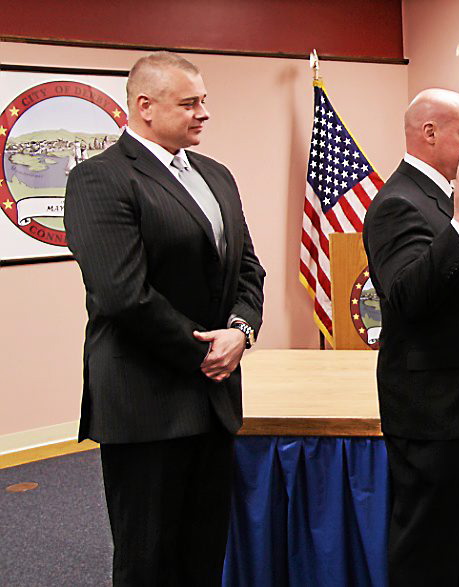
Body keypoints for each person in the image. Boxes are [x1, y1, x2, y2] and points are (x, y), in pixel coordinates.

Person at [65, 51, 266, 586]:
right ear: (145, 106)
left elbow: (248, 268)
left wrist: (241, 332)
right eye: (189, 103)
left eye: (204, 101)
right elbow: (122, 295)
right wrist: (205, 352)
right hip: (146, 403)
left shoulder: (215, 175)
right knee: (149, 561)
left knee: (204, 554)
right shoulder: (100, 179)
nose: (204, 113)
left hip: (214, 400)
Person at [362, 89, 459, 586]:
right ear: (430, 134)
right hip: (431, 412)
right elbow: (407, 298)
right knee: (427, 556)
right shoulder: (396, 203)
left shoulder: (451, 195)